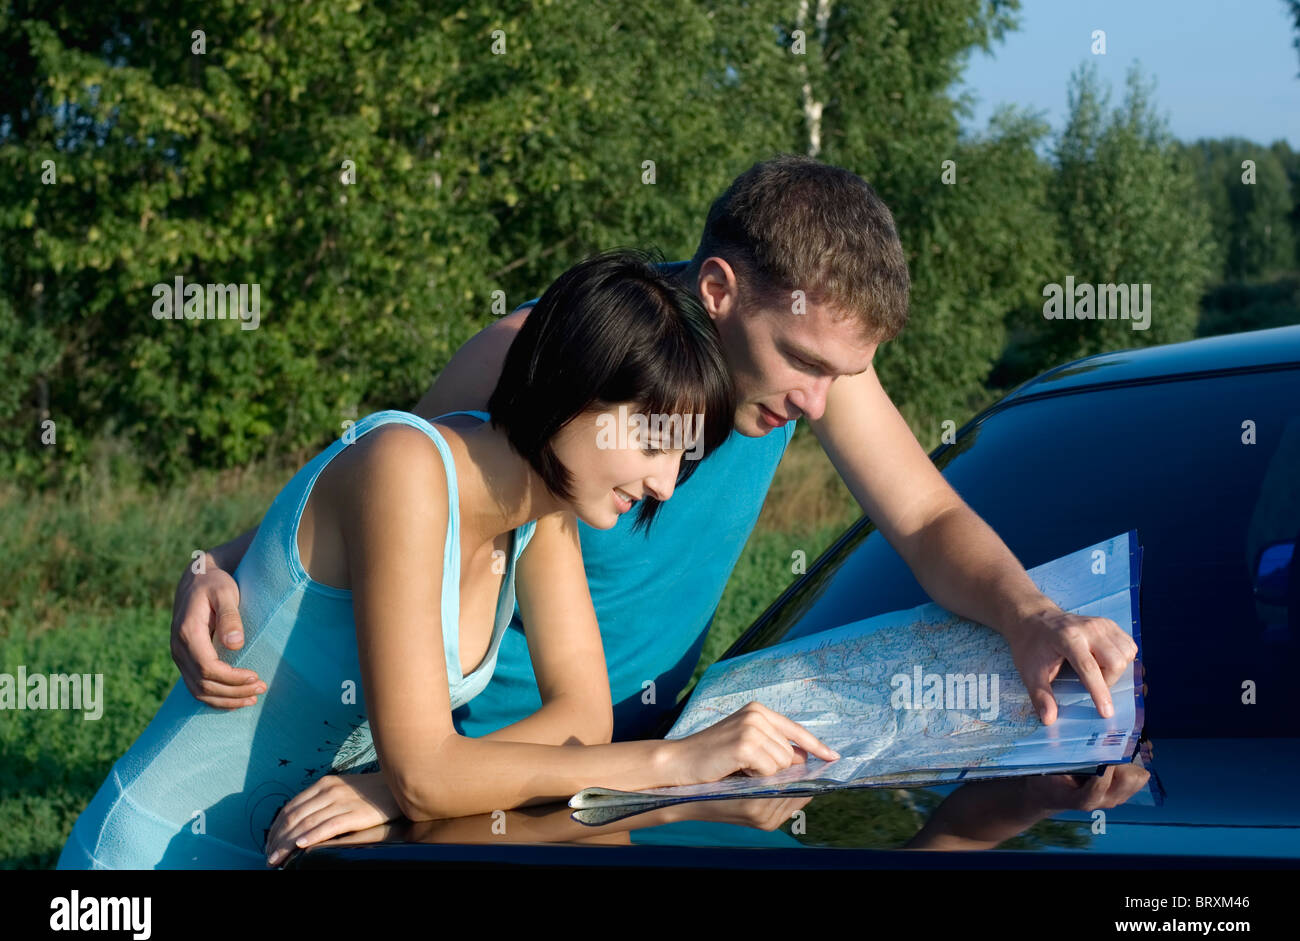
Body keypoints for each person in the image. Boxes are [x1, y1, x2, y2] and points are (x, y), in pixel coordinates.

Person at [173, 155, 1138, 801]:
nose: (818, 403)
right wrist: (223, 561)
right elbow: (375, 491)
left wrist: (1029, 613)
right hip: (472, 772)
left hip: (648, 771)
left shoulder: (816, 372)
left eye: (842, 376)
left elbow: (926, 519)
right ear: (718, 290)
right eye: (804, 360)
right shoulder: (535, 353)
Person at [57, 250, 839, 869]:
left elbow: (582, 721)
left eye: (683, 457)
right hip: (152, 859)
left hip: (301, 856)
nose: (666, 482)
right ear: (573, 390)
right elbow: (430, 773)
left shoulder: (544, 513)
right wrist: (680, 767)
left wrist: (392, 788)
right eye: (652, 441)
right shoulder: (406, 467)